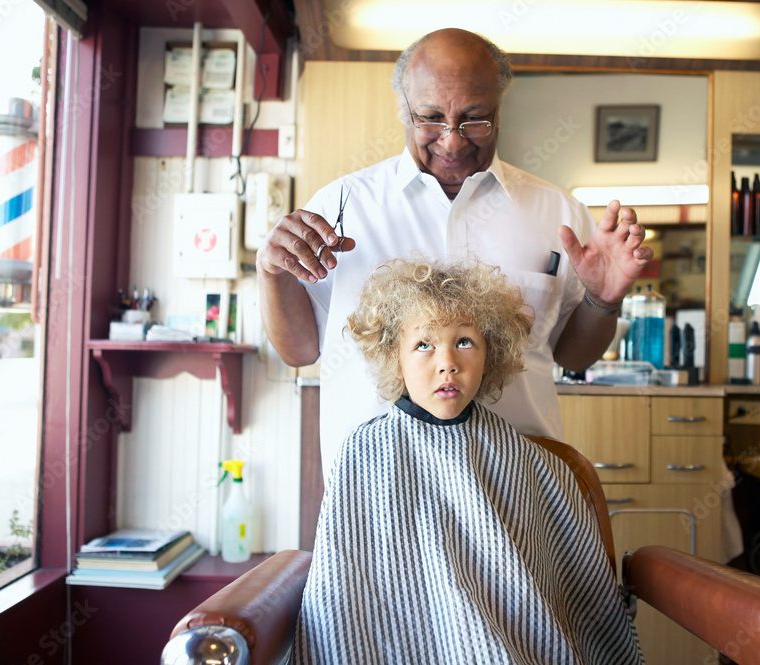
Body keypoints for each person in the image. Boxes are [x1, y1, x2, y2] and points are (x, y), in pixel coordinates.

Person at [257, 27, 654, 474]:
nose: (452, 140)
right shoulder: (341, 206)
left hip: (515, 490)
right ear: (403, 110)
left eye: (474, 118)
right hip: (377, 494)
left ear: (500, 107)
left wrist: (603, 300)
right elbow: (300, 350)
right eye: (430, 118)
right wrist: (271, 272)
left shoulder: (558, 214)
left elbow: (572, 356)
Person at [292, 259, 644, 665]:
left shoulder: (525, 459)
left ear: (489, 352)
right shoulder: (362, 453)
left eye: (464, 342)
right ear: (395, 356)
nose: (447, 363)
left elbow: (568, 592)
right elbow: (339, 593)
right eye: (424, 344)